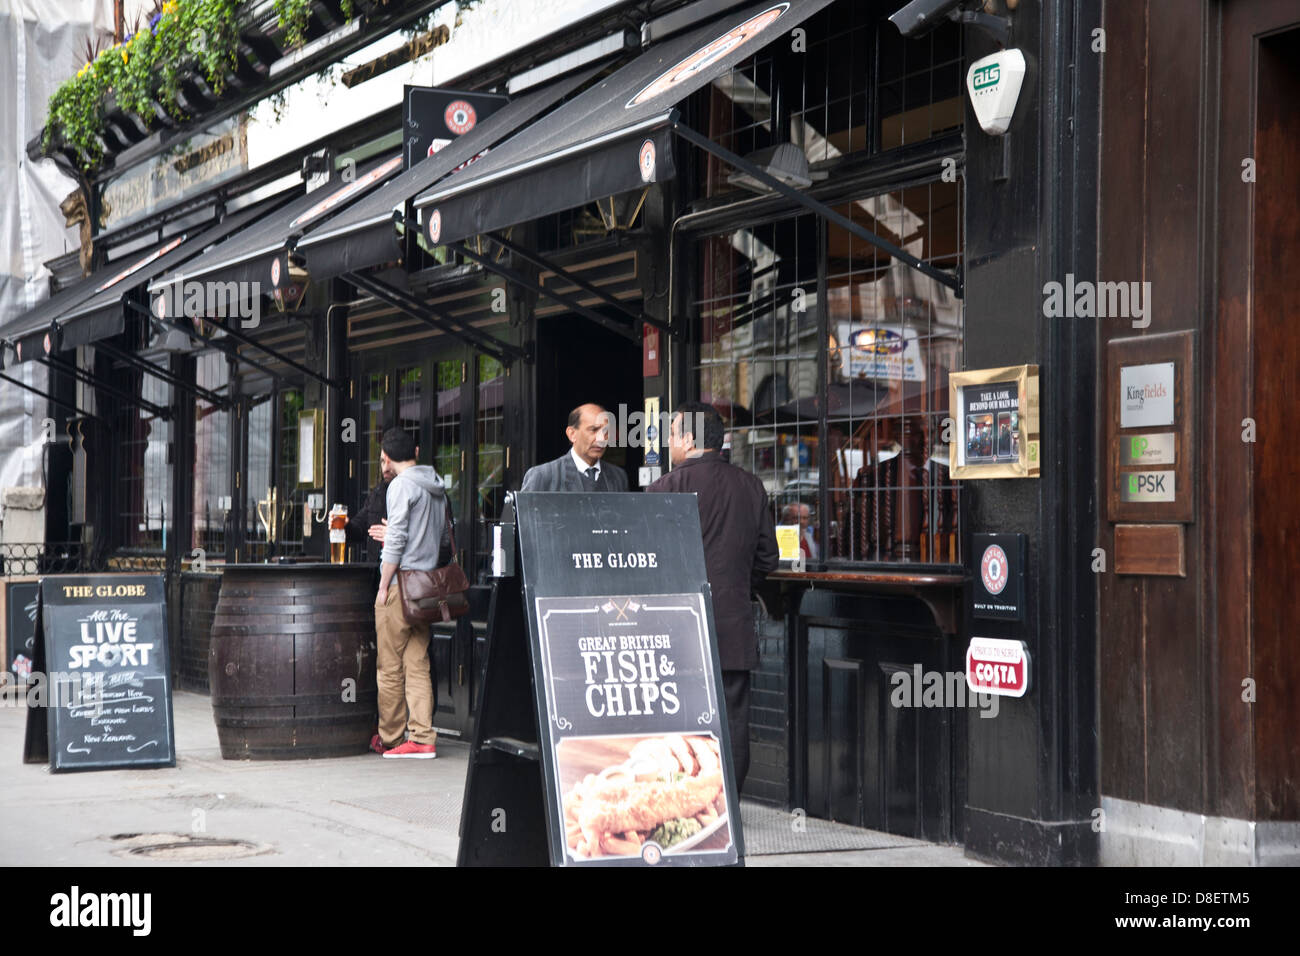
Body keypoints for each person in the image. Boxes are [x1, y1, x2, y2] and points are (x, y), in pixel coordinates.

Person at [647, 402, 778, 789]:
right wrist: (737, 588)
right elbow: (767, 558)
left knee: (679, 716)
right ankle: (730, 805)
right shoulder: (751, 486)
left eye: (671, 434)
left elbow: (647, 563)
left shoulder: (662, 490)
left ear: (688, 439)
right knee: (733, 717)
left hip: (673, 629)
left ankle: (690, 799)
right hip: (732, 622)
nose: (668, 442)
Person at [373, 427, 447, 759]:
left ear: (386, 458)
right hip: (427, 588)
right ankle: (422, 736)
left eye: (381, 459)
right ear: (415, 450)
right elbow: (439, 535)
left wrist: (382, 585)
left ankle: (390, 738)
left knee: (389, 666)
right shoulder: (435, 484)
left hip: (401, 586)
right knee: (417, 663)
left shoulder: (400, 485)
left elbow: (399, 539)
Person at [520, 403, 629, 492]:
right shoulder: (544, 476)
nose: (601, 439)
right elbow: (523, 517)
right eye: (593, 430)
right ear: (572, 434)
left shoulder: (618, 477)